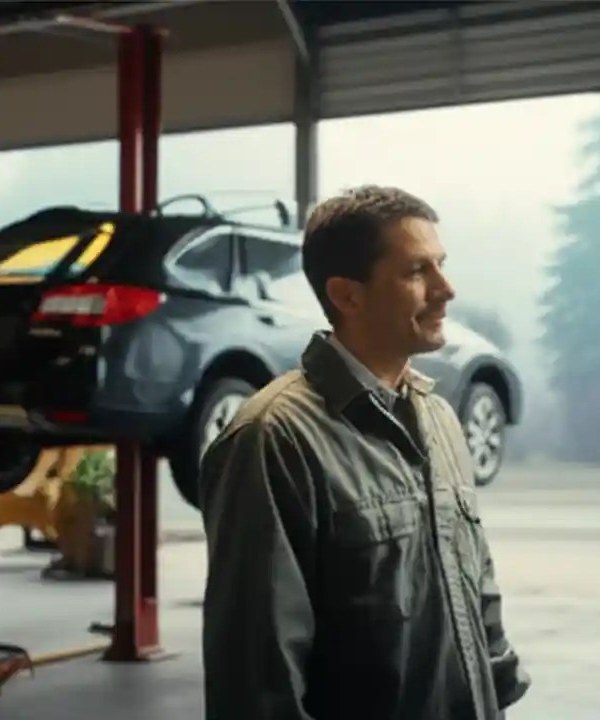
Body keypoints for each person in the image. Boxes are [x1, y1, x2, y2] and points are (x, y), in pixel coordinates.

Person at [198, 185, 530, 720]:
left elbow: (476, 586)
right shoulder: (273, 439)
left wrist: (498, 689)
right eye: (418, 271)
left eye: (441, 265)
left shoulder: (440, 419)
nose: (446, 290)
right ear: (347, 295)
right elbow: (259, 673)